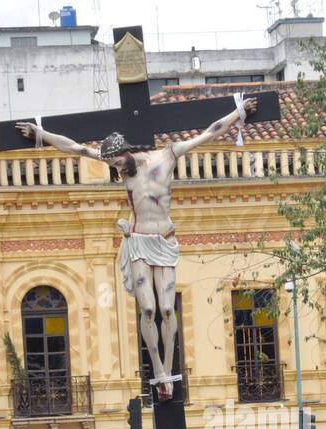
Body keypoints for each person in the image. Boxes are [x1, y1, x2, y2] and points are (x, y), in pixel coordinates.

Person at [18, 96, 257, 399]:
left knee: (168, 309)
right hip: (139, 241)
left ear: (126, 152)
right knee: (148, 308)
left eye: (117, 162)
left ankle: (168, 371)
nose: (117, 169)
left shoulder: (166, 156)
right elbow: (75, 147)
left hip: (165, 240)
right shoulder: (122, 170)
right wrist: (41, 134)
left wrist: (237, 113)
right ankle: (158, 372)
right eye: (113, 165)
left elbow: (209, 132)